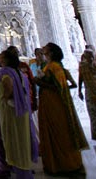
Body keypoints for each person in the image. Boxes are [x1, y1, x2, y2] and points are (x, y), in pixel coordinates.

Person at [35, 42, 88, 175]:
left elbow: (59, 88)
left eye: (45, 49)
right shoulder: (48, 66)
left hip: (55, 104)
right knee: (51, 131)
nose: (43, 50)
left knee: (60, 131)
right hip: (48, 102)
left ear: (51, 52)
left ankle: (66, 163)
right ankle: (54, 163)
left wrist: (38, 82)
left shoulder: (55, 67)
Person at [0, 48, 39, 179]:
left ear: (5, 60)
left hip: (11, 110)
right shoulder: (18, 72)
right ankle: (23, 166)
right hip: (22, 108)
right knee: (22, 137)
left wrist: (2, 98)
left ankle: (20, 167)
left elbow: (7, 91)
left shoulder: (5, 73)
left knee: (15, 138)